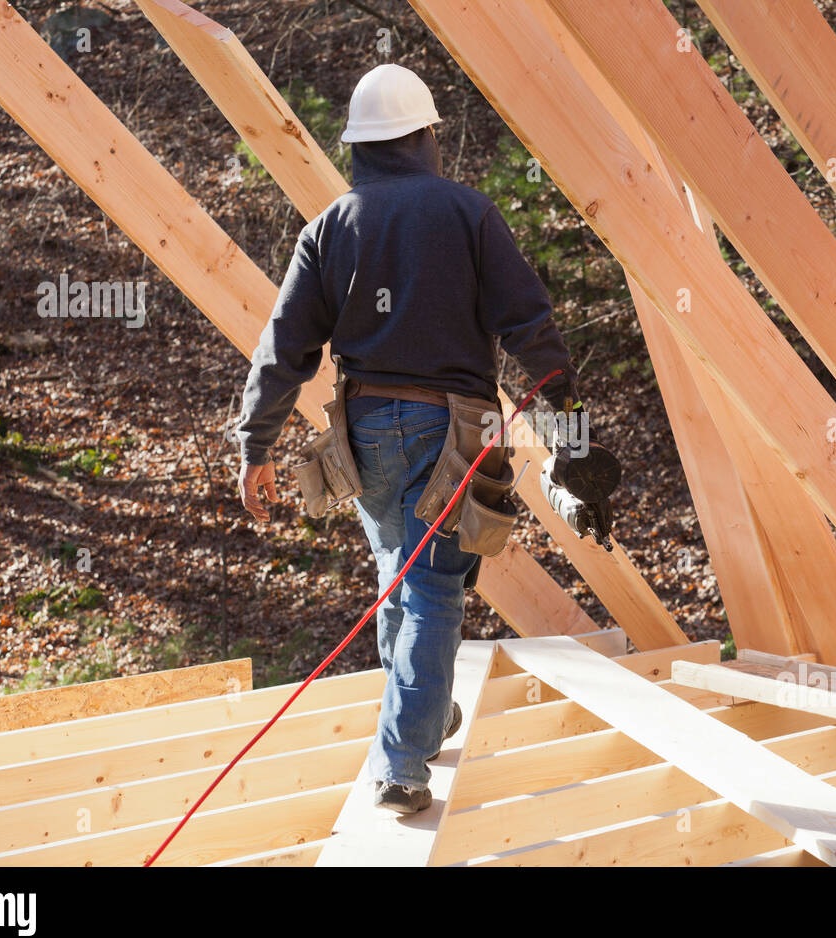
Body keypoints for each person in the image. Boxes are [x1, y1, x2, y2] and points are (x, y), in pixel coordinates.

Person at [234, 63, 584, 814]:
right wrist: (565, 415)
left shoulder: (331, 226)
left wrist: (255, 446)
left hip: (363, 431)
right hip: (453, 428)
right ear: (426, 136)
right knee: (430, 585)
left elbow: (284, 346)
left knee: (404, 573)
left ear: (360, 145)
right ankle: (402, 765)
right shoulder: (467, 213)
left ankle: (424, 716)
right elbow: (529, 320)